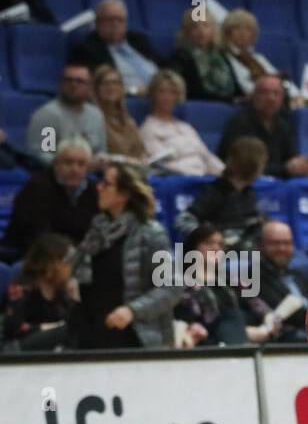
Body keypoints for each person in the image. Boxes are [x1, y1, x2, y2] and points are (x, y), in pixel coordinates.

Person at [67, 164, 178, 349]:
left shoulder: (151, 234)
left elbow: (170, 288)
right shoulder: (96, 231)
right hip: (89, 334)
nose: (98, 187)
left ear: (123, 195)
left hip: (133, 337)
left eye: (106, 183)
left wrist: (132, 311)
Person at [172, 223, 276, 347]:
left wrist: (268, 324)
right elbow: (189, 321)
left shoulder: (232, 279)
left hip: (243, 338)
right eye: (209, 243)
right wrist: (243, 331)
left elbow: (262, 308)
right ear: (193, 248)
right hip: (209, 343)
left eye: (220, 245)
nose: (216, 248)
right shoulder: (183, 283)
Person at [0, 138, 98, 262]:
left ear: (88, 168)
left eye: (81, 164)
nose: (75, 169)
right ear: (56, 164)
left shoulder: (94, 191)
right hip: (35, 257)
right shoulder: (36, 188)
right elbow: (36, 234)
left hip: (78, 258)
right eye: (68, 163)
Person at [175, 136, 267, 250]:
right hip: (221, 255)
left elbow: (252, 226)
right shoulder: (218, 191)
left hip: (245, 252)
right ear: (253, 164)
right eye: (263, 163)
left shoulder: (248, 193)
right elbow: (183, 220)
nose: (264, 167)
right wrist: (209, 239)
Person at [217, 75, 308, 178]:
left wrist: (302, 165)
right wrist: (285, 169)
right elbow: (242, 166)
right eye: (264, 92)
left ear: (282, 99)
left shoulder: (284, 125)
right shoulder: (239, 123)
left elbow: (291, 158)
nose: (271, 98)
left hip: (277, 184)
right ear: (253, 96)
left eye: (276, 93)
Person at [139, 70, 224, 177]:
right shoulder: (149, 128)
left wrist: (226, 175)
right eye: (162, 91)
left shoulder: (185, 127)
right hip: (181, 180)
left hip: (203, 177)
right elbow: (161, 165)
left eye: (173, 92)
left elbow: (207, 156)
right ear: (153, 94)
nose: (167, 97)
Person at [67, 0, 158, 95]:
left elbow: (162, 64)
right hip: (129, 99)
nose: (115, 24)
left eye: (120, 20)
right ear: (98, 23)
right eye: (110, 19)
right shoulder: (87, 49)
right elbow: (102, 87)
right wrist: (134, 91)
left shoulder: (139, 40)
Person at [2, 233, 77, 351]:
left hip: (53, 345)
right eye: (68, 262)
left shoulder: (62, 289)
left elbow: (72, 321)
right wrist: (45, 328)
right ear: (52, 263)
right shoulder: (23, 286)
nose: (73, 266)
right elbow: (12, 329)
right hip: (20, 346)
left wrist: (75, 297)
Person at [25, 64, 107, 165]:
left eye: (80, 81)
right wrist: (78, 164)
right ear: (60, 84)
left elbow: (101, 150)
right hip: (57, 175)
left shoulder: (96, 115)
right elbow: (44, 155)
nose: (74, 85)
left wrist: (100, 160)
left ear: (90, 87)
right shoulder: (48, 115)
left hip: (92, 172)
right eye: (69, 80)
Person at [220, 8, 300, 103]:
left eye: (248, 29)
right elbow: (245, 88)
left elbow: (276, 79)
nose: (243, 33)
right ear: (227, 33)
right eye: (237, 28)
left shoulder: (257, 58)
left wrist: (296, 96)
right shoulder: (224, 57)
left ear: (253, 34)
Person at [256, 221, 308, 342]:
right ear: (260, 245)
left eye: (287, 243)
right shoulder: (253, 277)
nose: (282, 248)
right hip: (285, 341)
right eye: (275, 243)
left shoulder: (300, 275)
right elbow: (285, 315)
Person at [168, 5, 239, 103]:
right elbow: (194, 93)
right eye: (195, 27)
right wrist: (230, 100)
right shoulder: (182, 58)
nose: (201, 31)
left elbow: (236, 87)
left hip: (229, 104)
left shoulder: (222, 55)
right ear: (186, 32)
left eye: (205, 25)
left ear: (213, 30)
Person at [92, 65, 147, 168]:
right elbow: (96, 155)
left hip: (136, 170)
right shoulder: (93, 118)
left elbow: (140, 150)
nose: (111, 87)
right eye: (106, 83)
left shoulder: (127, 119)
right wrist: (127, 160)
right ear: (96, 89)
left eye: (116, 83)